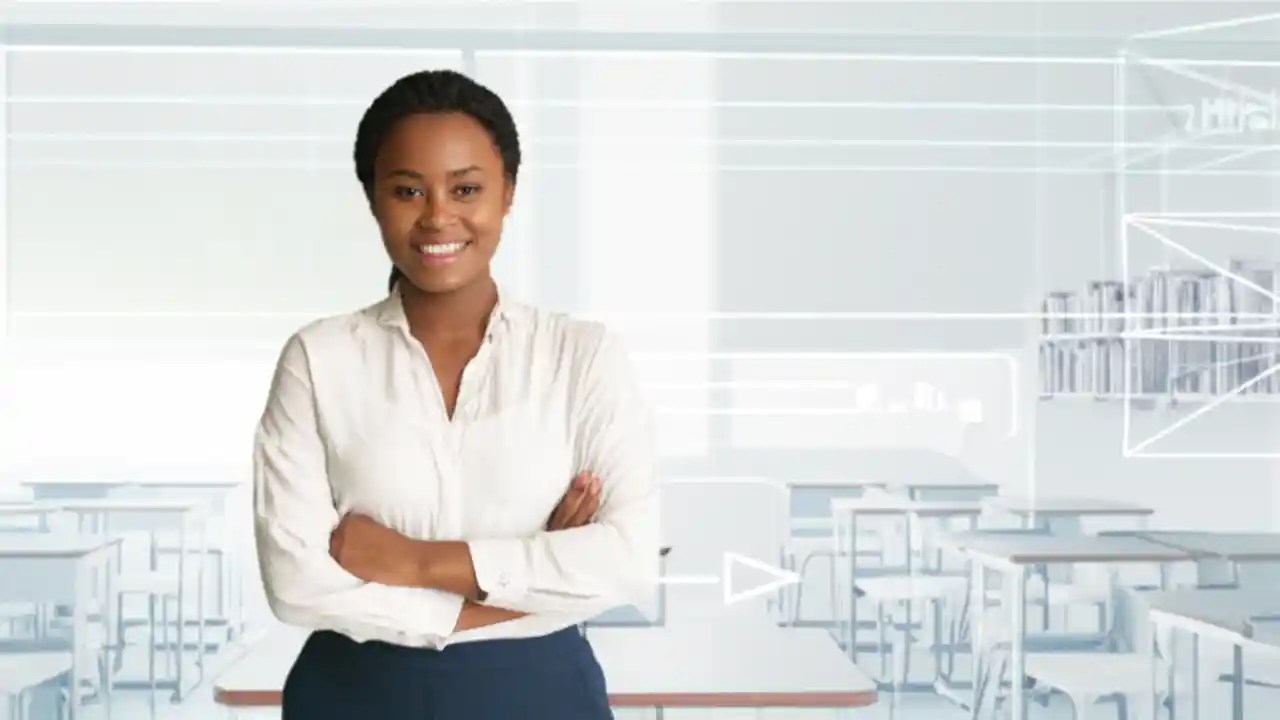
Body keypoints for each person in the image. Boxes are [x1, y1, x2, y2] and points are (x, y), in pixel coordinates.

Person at [252, 68, 660, 719]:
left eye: (466, 188)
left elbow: (628, 561)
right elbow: (297, 585)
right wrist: (527, 583)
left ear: (507, 194)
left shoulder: (581, 356)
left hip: (541, 693)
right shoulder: (318, 360)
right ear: (373, 200)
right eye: (408, 190)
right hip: (355, 694)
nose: (439, 215)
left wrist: (413, 562)